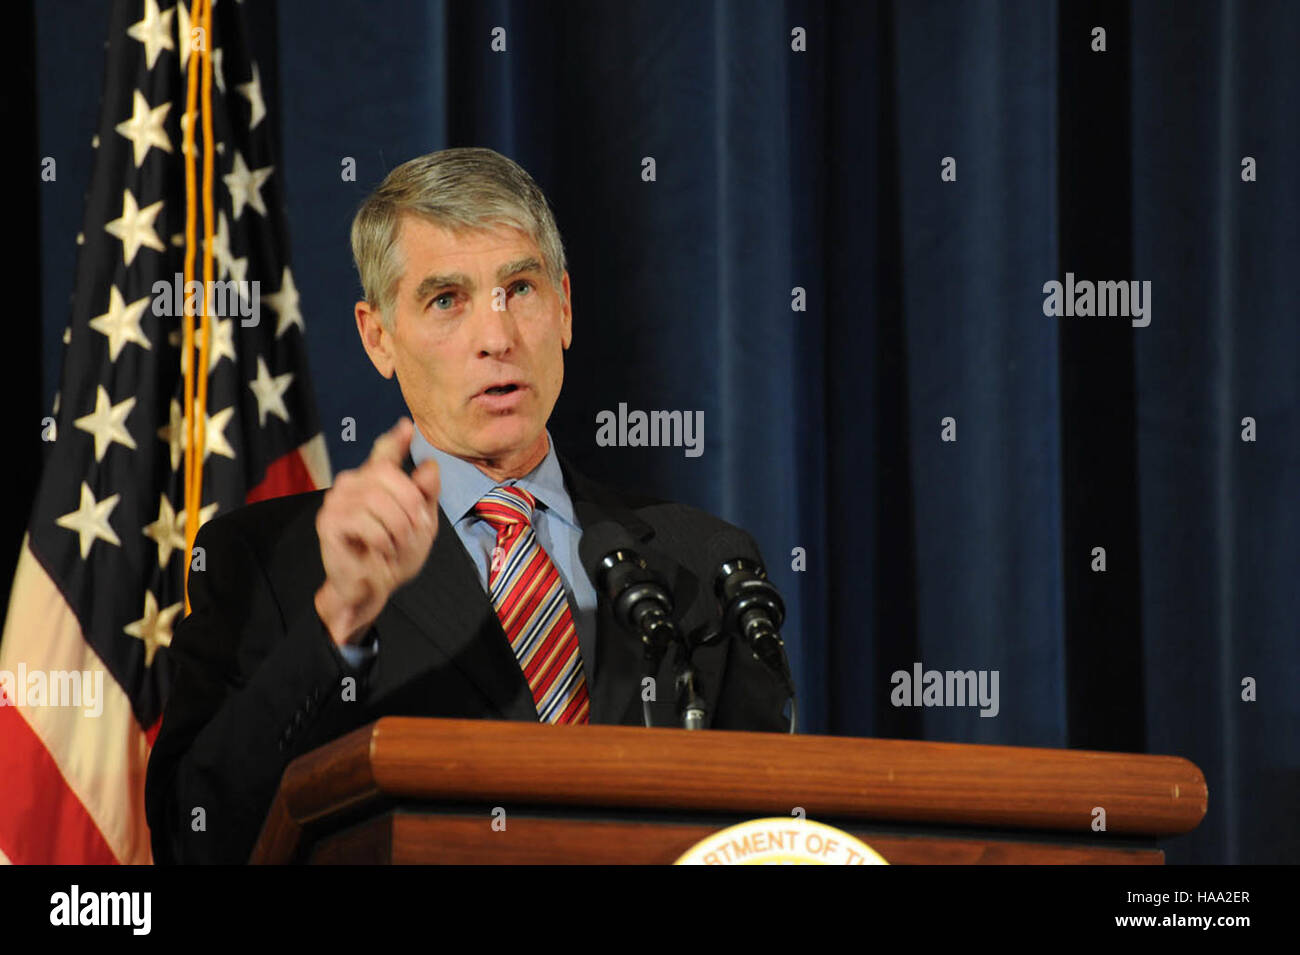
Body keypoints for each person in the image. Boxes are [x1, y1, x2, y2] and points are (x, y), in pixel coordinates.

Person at [144, 147, 790, 864]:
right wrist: (340, 622)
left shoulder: (700, 564)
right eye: (446, 299)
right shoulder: (269, 563)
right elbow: (191, 834)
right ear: (377, 336)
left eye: (520, 287)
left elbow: (771, 829)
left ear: (565, 308)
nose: (497, 337)